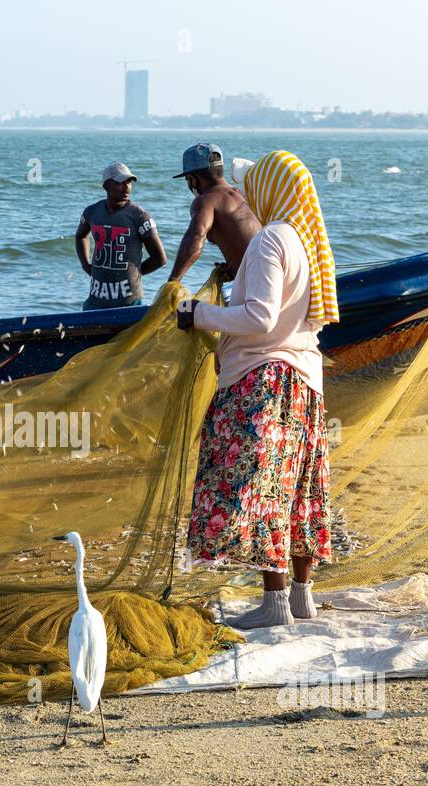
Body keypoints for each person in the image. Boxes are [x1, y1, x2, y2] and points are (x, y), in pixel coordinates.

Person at [176, 150, 338, 627]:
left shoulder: (271, 239)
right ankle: (303, 596)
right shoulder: (308, 241)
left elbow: (260, 317)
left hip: (264, 380)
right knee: (302, 490)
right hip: (307, 381)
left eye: (257, 185)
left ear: (270, 190)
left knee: (263, 489)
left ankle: (273, 605)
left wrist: (196, 313)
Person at [167, 143, 262, 285]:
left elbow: (197, 235)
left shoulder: (206, 201)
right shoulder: (241, 195)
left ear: (193, 179)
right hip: (271, 274)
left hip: (256, 283)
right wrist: (233, 269)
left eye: (187, 180)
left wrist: (173, 281)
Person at [74, 162, 166, 310]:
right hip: (96, 299)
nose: (127, 186)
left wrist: (136, 272)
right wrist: (86, 265)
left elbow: (160, 259)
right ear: (106, 186)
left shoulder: (140, 217)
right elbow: (80, 236)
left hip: (129, 302)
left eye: (129, 182)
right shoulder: (92, 212)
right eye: (120, 182)